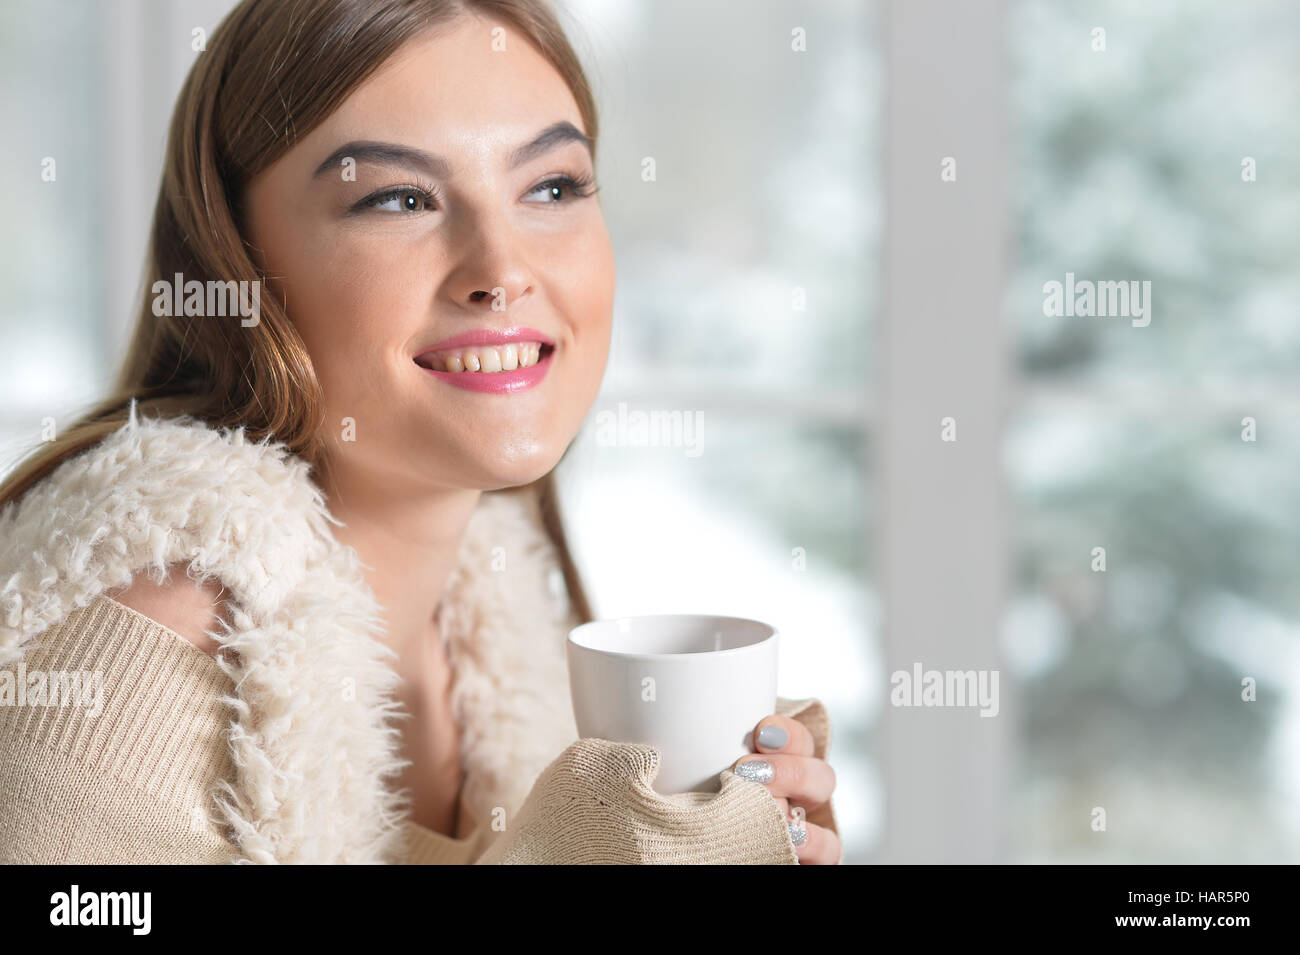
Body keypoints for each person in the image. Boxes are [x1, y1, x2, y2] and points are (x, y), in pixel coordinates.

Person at [0, 0, 840, 865]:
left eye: (551, 186)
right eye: (399, 198)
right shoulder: (141, 656)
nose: (503, 270)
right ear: (235, 261)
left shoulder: (511, 641)